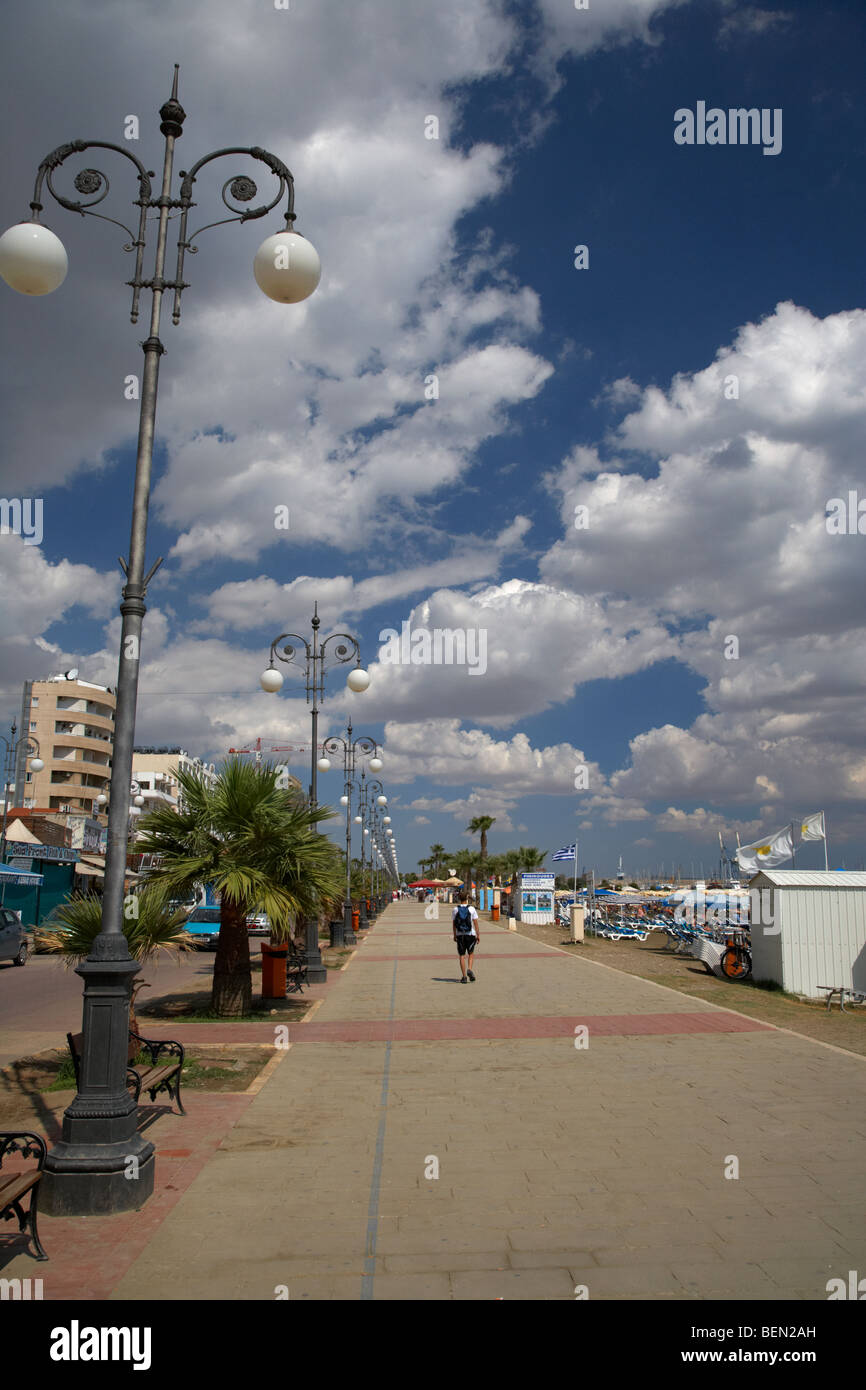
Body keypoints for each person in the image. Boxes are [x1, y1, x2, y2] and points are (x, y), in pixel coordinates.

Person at [452, 890, 480, 983]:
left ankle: (464, 976)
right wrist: (478, 935)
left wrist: (455, 935)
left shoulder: (455, 909)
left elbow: (454, 924)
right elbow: (475, 923)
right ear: (467, 898)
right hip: (470, 934)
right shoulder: (472, 909)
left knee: (461, 955)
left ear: (459, 898)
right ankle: (470, 969)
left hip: (460, 935)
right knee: (471, 954)